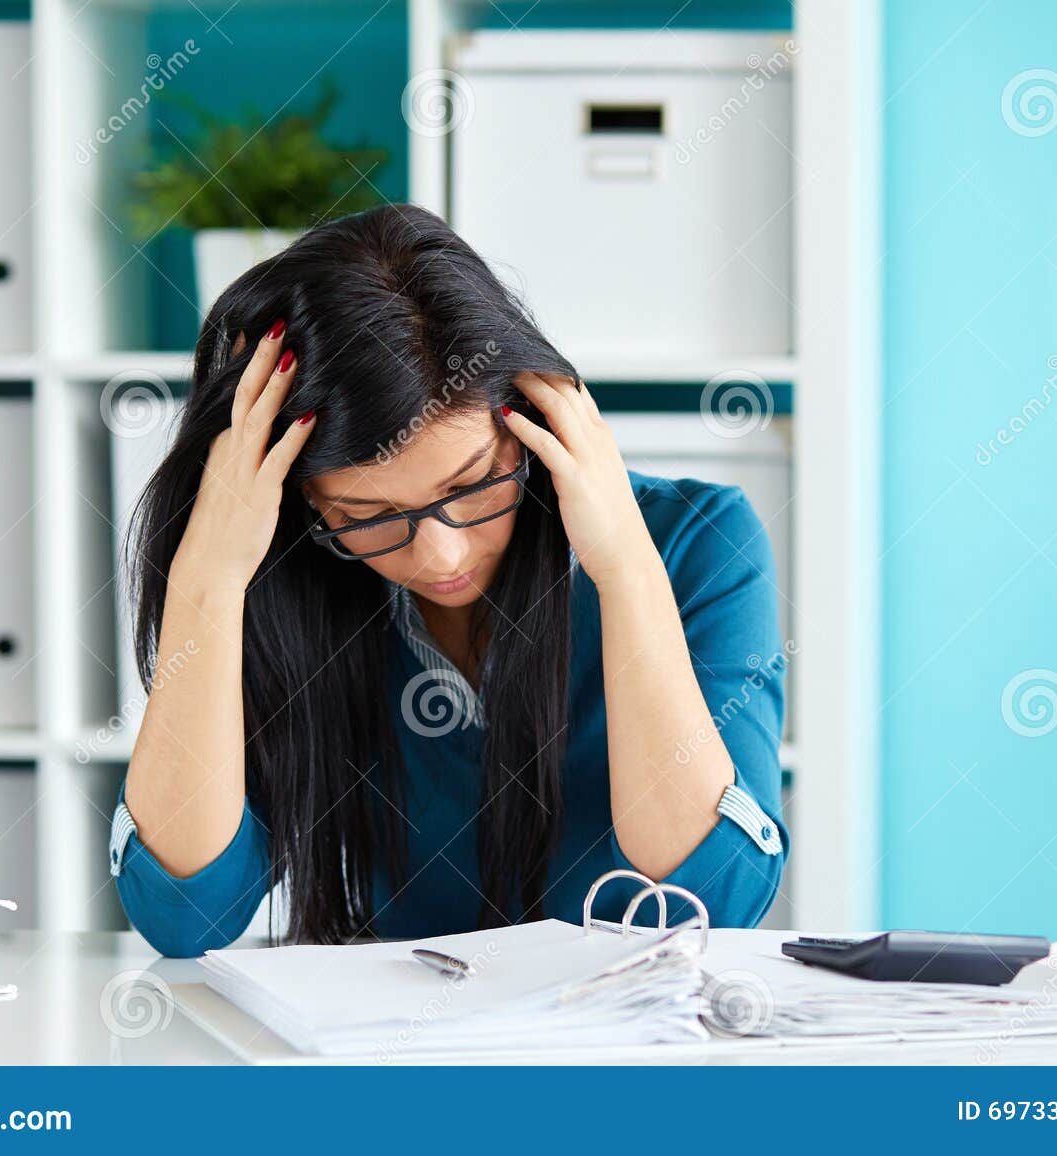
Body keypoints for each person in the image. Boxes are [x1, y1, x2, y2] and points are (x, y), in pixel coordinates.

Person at [110, 203, 788, 956]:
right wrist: (208, 580)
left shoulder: (699, 541)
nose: (439, 556)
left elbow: (711, 901)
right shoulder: (287, 578)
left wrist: (624, 565)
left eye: (471, 485)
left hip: (628, 1024)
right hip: (388, 1026)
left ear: (534, 420)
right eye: (366, 515)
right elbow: (184, 916)